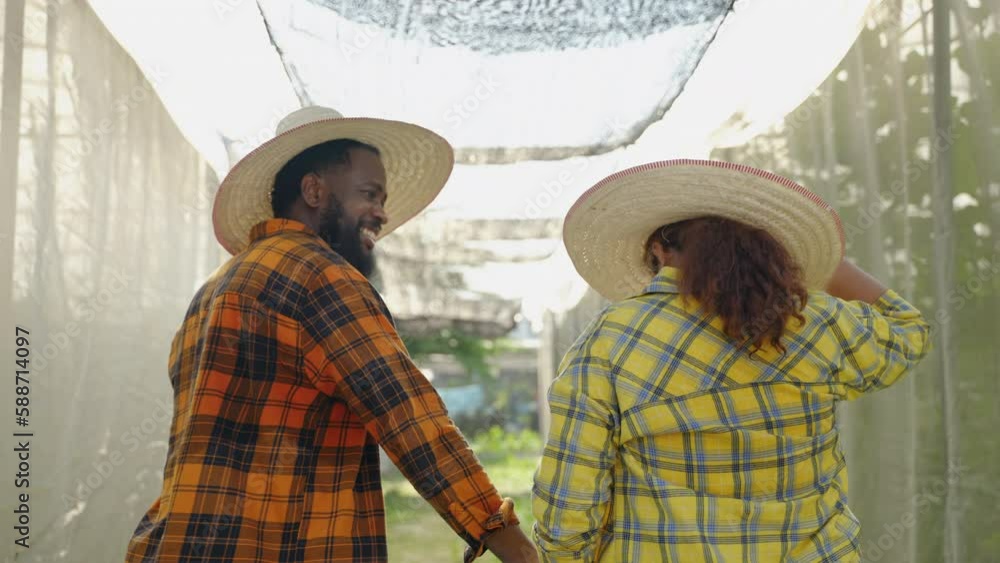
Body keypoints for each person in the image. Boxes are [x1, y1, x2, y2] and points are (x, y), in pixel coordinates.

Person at [126, 106, 537, 562]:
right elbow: (410, 420)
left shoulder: (209, 294)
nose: (381, 213)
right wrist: (516, 547)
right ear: (314, 190)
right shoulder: (321, 277)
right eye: (369, 194)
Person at [533, 159, 930, 562]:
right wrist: (824, 264)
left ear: (659, 249)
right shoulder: (814, 322)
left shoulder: (613, 338)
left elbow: (570, 498)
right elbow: (908, 332)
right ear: (762, 249)